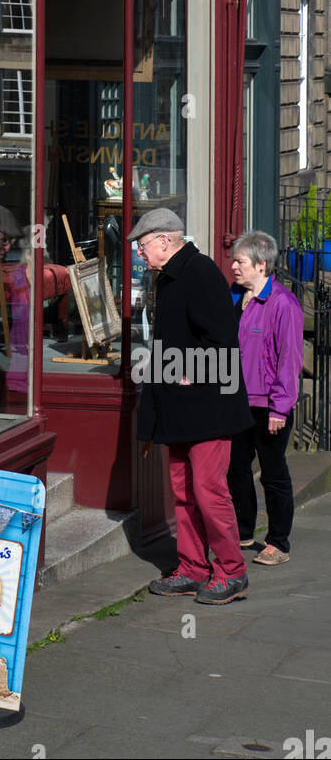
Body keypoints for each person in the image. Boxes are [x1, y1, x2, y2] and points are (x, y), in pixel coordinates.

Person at [129, 208, 253, 604]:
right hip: (180, 407)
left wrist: (188, 371)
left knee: (208, 490)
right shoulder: (168, 276)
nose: (139, 254)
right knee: (183, 492)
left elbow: (222, 339)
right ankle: (194, 567)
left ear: (164, 241)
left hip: (207, 407)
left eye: (142, 245)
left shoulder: (198, 272)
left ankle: (232, 571)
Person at [227, 231, 303, 564]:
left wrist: (280, 407)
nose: (233, 267)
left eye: (240, 261)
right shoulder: (233, 297)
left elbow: (290, 359)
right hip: (235, 401)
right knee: (234, 470)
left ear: (261, 265)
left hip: (269, 406)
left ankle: (278, 542)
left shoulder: (283, 304)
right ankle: (244, 532)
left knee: (273, 474)